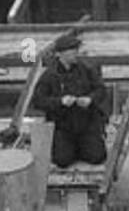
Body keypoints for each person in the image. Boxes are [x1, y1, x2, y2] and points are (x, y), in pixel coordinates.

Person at [34, 32, 112, 167]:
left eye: (76, 50)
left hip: (86, 123)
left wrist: (90, 99)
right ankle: (70, 147)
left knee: (97, 157)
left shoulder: (86, 69)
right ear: (59, 54)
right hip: (63, 126)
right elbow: (38, 101)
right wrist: (60, 102)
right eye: (71, 51)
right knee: (62, 161)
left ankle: (82, 146)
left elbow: (101, 90)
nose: (76, 53)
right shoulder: (49, 75)